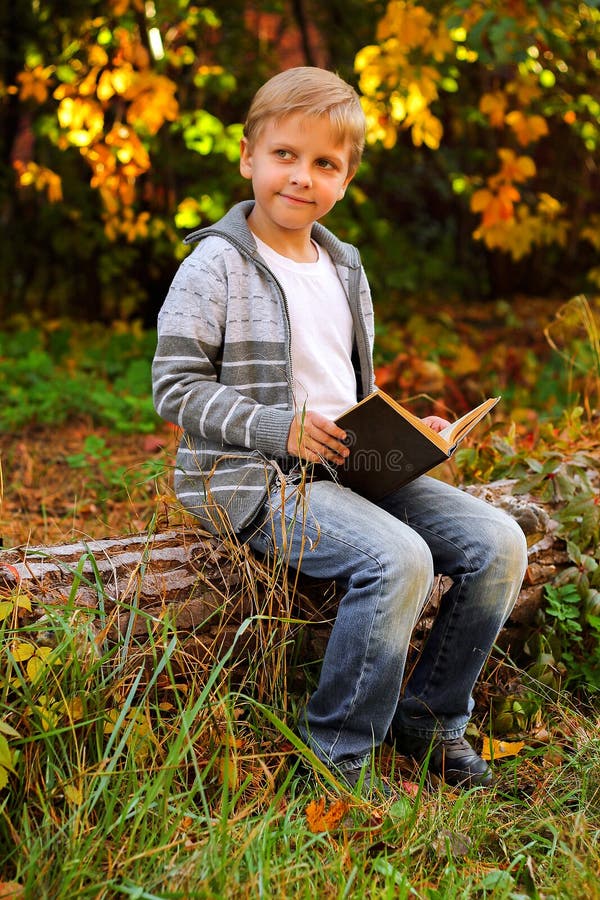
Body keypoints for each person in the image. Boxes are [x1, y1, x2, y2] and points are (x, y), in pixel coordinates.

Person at [152, 66, 528, 796]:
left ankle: (431, 719)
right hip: (253, 477)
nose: (301, 177)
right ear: (248, 158)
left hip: (349, 469)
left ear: (346, 179)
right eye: (285, 155)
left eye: (325, 163)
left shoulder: (345, 267)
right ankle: (337, 759)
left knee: (499, 542)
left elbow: (347, 389)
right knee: (398, 559)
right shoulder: (216, 266)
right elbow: (176, 387)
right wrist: (276, 428)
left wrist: (406, 428)